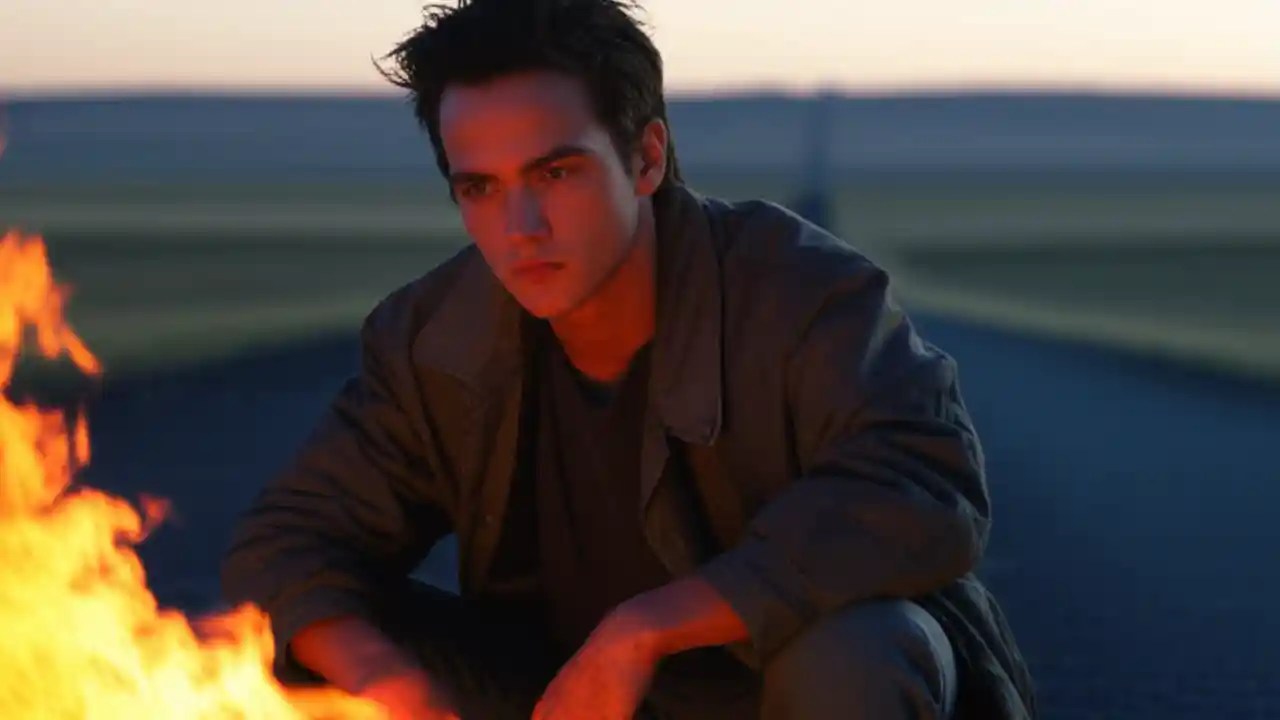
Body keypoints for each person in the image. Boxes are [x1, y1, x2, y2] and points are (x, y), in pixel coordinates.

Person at [220, 1, 1036, 718]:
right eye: (482, 188)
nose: (522, 225)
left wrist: (644, 629)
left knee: (860, 648)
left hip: (770, 689)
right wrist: (399, 697)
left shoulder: (800, 290)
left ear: (645, 159)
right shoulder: (433, 336)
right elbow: (289, 545)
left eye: (557, 172)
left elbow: (921, 480)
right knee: (297, 640)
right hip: (562, 697)